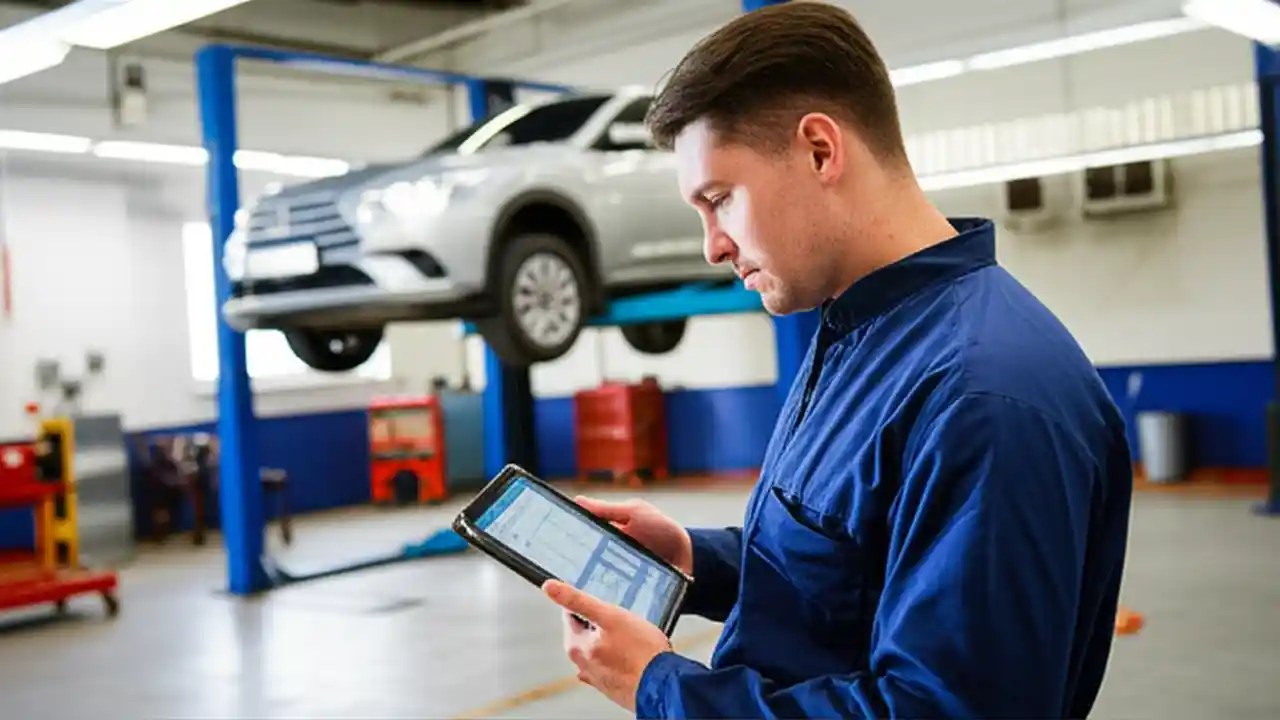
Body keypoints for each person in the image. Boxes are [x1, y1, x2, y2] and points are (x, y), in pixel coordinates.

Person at [541, 2, 1133, 718]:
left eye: (720, 200)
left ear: (821, 150)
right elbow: (857, 561)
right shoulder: (861, 328)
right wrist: (696, 560)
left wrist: (663, 687)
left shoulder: (981, 396)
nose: (712, 247)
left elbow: (939, 711)